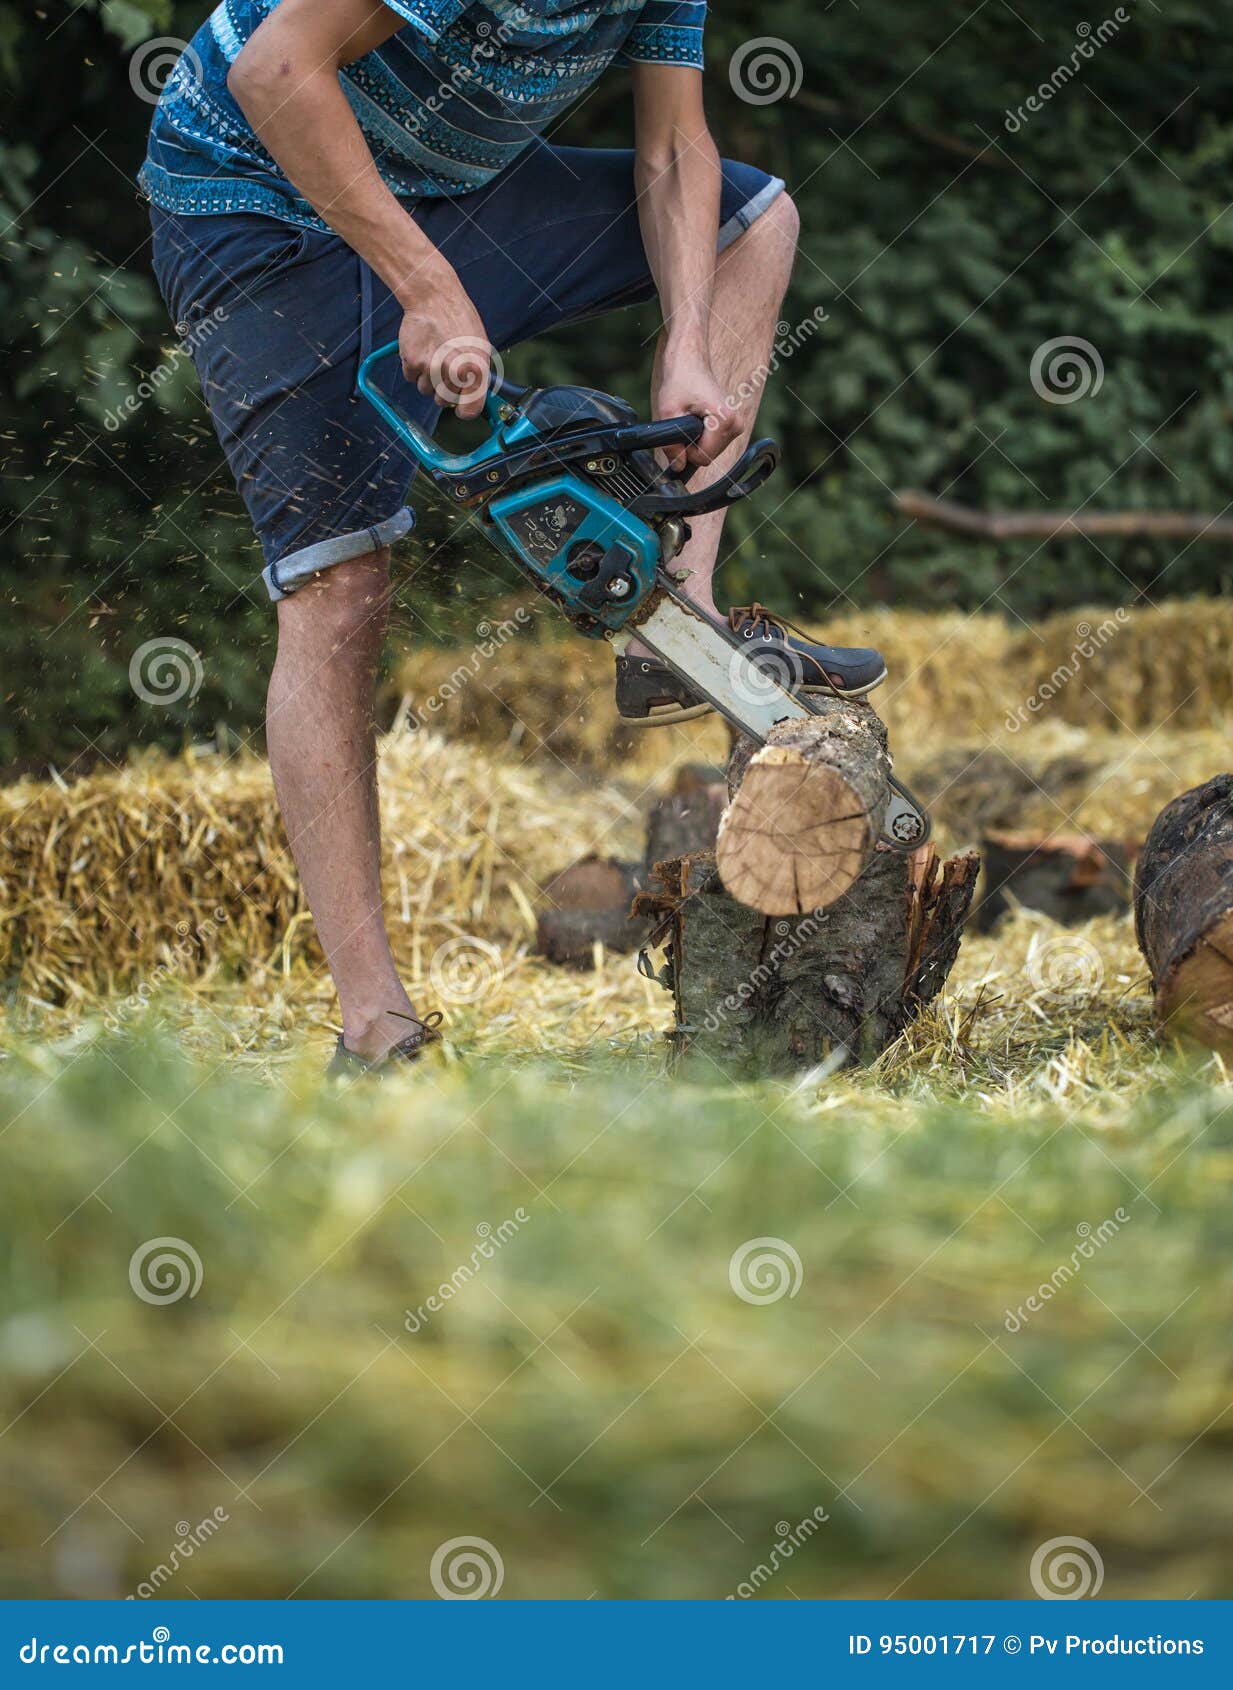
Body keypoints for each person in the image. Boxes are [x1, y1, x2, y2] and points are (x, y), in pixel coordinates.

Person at [140, 0, 886, 1074]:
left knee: (753, 222)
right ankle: (376, 1028)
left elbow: (675, 147)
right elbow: (276, 70)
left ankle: (674, 620)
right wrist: (429, 288)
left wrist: (687, 344)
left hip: (440, 185)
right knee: (338, 593)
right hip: (255, 199)